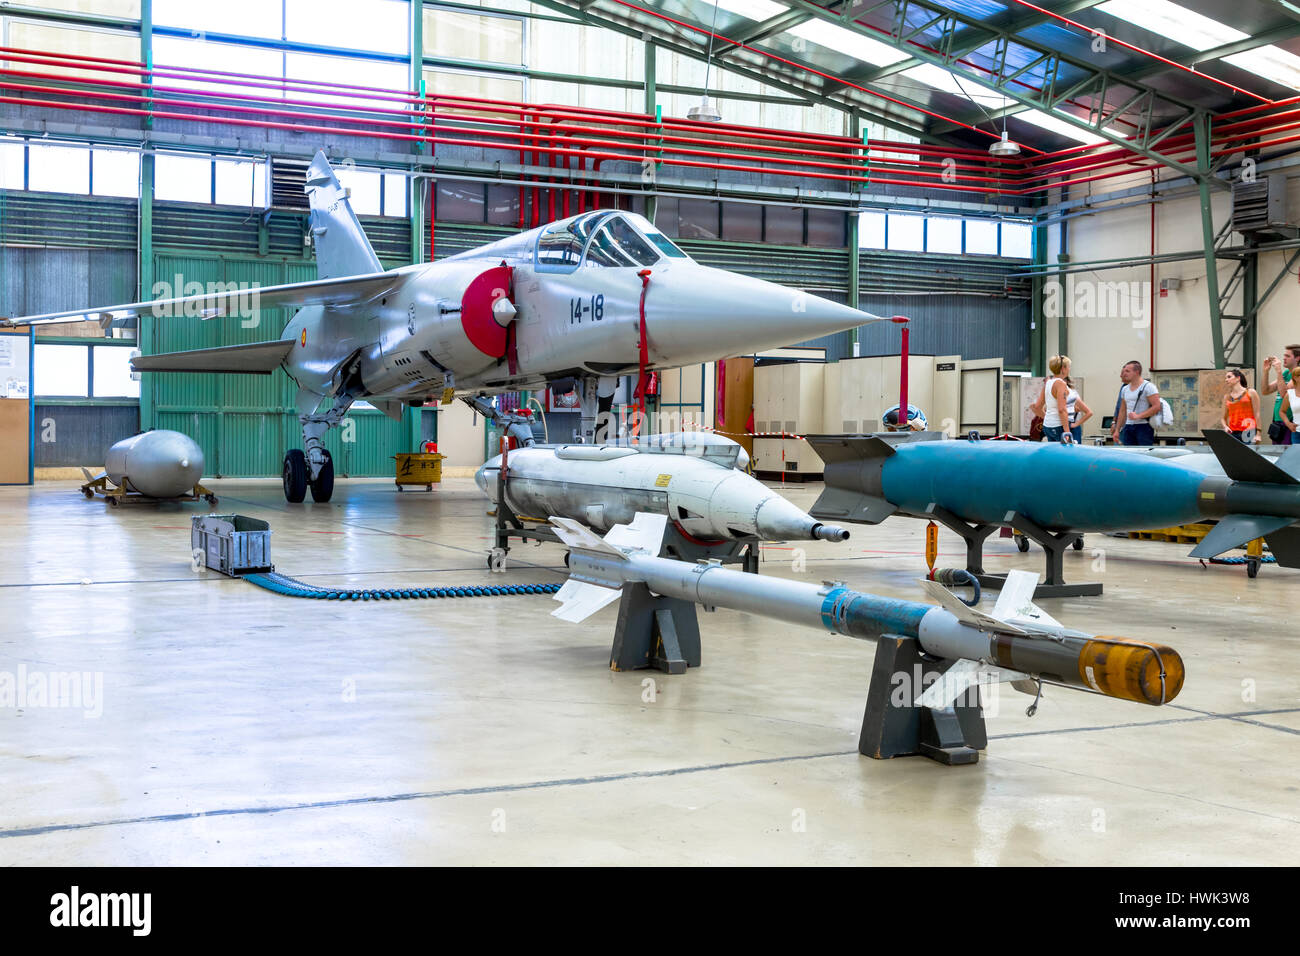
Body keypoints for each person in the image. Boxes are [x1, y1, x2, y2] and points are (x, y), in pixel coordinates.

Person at [1034, 355, 1090, 444]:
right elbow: (1062, 409)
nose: (1069, 369)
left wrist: (1049, 418)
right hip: (1059, 426)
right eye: (1068, 367)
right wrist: (1067, 432)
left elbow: (1037, 407)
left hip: (1047, 426)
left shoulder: (1048, 383)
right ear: (1063, 368)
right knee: (1068, 455)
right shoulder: (1061, 384)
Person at [1110, 360, 1162, 446]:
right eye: (1124, 371)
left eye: (1127, 371)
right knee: (1129, 454)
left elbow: (1157, 407)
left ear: (1136, 372)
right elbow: (1122, 411)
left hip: (1144, 426)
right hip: (1128, 426)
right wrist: (1117, 430)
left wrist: (1138, 416)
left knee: (1144, 454)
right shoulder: (1125, 389)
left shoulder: (1148, 387)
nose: (1124, 373)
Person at [1260, 346, 1299, 445]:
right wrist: (1266, 371)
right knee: (1277, 454)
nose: (1284, 358)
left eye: (1287, 356)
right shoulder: (1286, 373)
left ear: (1297, 358)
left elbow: (1284, 395)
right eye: (1284, 355)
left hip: (1290, 422)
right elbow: (1265, 390)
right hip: (1278, 422)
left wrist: (1278, 371)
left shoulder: (1297, 375)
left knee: (1287, 455)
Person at [1220, 369, 1261, 444]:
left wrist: (1258, 433)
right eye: (1226, 378)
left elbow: (1257, 414)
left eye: (1229, 377)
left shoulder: (1251, 392)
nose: (1226, 380)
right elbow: (1223, 418)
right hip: (1233, 433)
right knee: (1234, 455)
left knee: (1248, 455)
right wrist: (1225, 427)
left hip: (1249, 432)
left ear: (1238, 378)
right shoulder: (1227, 397)